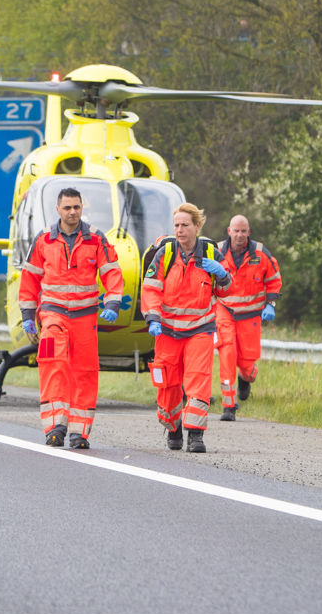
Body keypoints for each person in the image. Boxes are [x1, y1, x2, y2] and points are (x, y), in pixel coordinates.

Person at [16, 187, 123, 449]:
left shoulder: (96, 239)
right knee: (53, 366)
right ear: (58, 210)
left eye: (76, 207)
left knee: (85, 372)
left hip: (85, 319)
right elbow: (29, 278)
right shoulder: (44, 240)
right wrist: (28, 315)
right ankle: (55, 427)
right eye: (67, 208)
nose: (73, 212)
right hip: (53, 317)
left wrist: (113, 302)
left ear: (81, 207)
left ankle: (79, 432)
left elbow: (112, 272)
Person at [141, 202, 231, 453]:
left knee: (198, 380)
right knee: (168, 385)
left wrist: (222, 275)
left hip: (199, 330)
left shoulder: (212, 253)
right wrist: (154, 318)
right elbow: (151, 288)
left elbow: (225, 291)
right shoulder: (165, 253)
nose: (180, 230)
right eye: (177, 225)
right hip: (167, 331)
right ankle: (173, 428)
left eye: (185, 225)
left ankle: (195, 435)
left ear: (197, 226)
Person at [215, 215, 283, 420]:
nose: (239, 235)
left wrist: (270, 304)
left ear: (248, 232)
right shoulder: (217, 252)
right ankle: (228, 405)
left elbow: (274, 280)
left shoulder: (261, 254)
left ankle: (245, 378)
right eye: (236, 230)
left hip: (251, 315)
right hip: (225, 311)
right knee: (227, 352)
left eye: (243, 231)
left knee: (247, 364)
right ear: (229, 231)